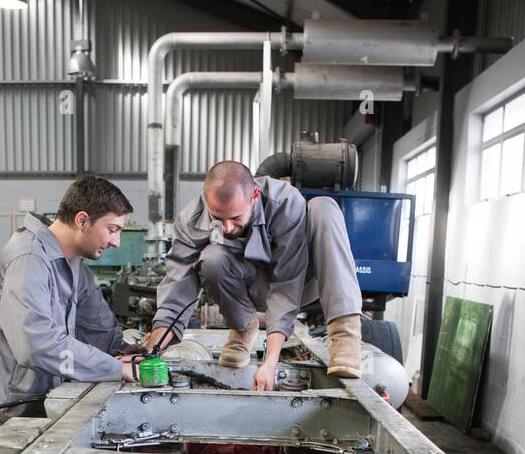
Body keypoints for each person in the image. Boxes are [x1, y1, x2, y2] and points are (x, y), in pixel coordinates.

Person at [144, 160, 362, 391]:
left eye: (236, 218)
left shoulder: (286, 202)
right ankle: (243, 330)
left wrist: (271, 361)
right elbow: (178, 284)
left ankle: (345, 335)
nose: (226, 228)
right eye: (218, 218)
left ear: (255, 196)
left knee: (323, 207)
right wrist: (150, 351)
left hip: (300, 284)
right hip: (249, 288)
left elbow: (286, 284)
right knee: (212, 258)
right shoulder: (192, 219)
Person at [0, 175, 139, 413]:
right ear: (82, 220)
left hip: (43, 402)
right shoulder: (29, 258)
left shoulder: (74, 262)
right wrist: (117, 369)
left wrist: (132, 351)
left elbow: (98, 328)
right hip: (4, 410)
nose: (116, 242)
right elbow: (36, 345)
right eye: (112, 230)